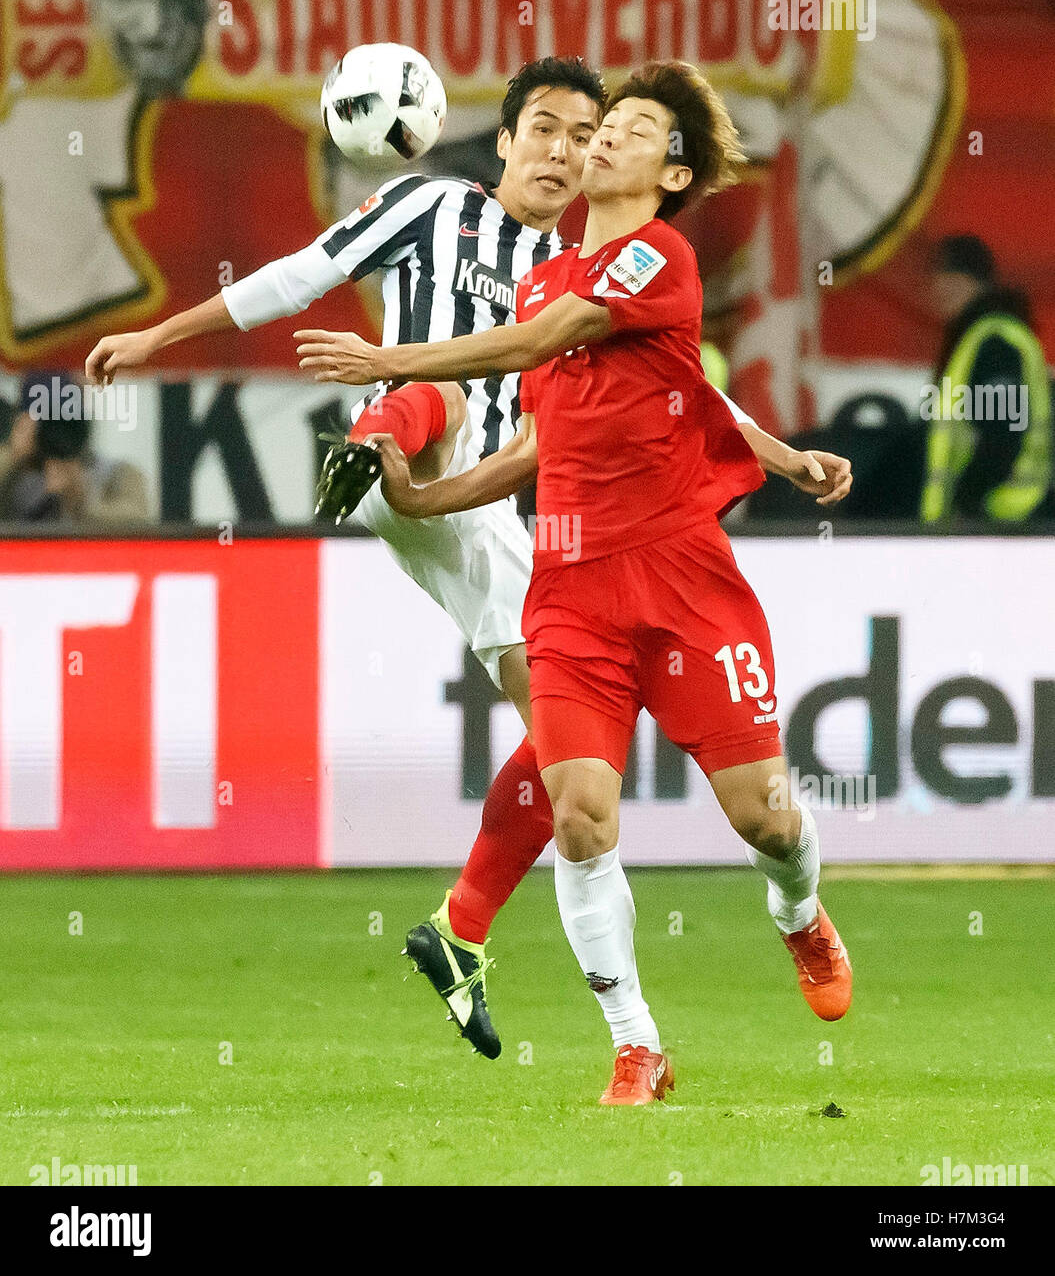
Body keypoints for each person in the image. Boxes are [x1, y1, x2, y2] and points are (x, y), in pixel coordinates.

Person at [89, 55, 847, 1063]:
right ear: (499, 139)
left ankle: (465, 924)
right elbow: (301, 276)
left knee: (616, 774)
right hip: (455, 476)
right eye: (546, 127)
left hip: (507, 515)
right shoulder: (434, 205)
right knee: (577, 788)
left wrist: (781, 453)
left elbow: (654, 394)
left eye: (591, 133)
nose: (569, 147)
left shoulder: (608, 269)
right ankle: (628, 1043)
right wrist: (160, 336)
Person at [295, 60, 855, 1105]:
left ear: (671, 172)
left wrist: (395, 364)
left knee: (767, 820)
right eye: (601, 128)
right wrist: (425, 499)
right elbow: (546, 437)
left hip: (682, 579)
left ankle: (799, 915)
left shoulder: (660, 258)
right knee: (581, 815)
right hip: (570, 587)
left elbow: (551, 340)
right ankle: (635, 1044)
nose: (599, 141)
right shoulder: (545, 272)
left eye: (630, 131)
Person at [921, 234, 1051, 525]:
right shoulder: (987, 337)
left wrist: (966, 504)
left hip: (1002, 521)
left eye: (946, 276)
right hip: (1005, 520)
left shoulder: (994, 342)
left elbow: (1001, 436)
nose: (936, 288)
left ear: (966, 283)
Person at [0, 374, 149, 527]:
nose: (57, 429)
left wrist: (81, 504)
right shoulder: (15, 471)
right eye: (47, 421)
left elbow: (139, 522)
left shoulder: (118, 473)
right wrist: (13, 456)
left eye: (67, 418)